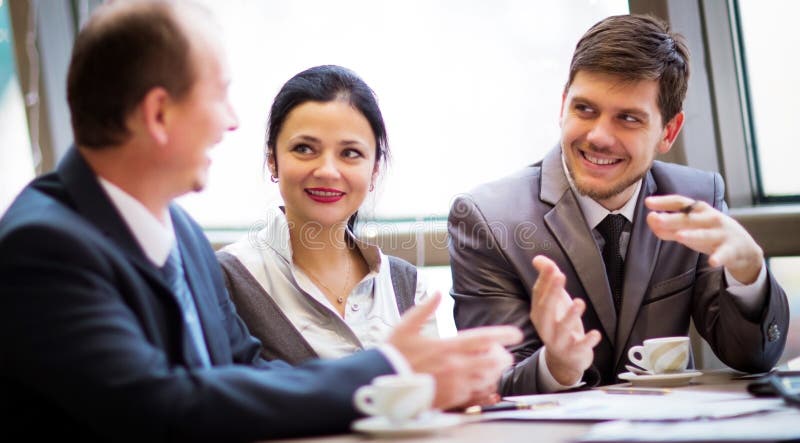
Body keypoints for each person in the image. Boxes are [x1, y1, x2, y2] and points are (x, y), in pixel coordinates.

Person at [0, 1, 521, 441]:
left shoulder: (178, 231)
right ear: (159, 115)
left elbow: (243, 369)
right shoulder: (43, 246)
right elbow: (156, 405)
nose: (231, 121)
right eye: (219, 94)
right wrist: (388, 367)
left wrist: (408, 384)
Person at [448, 14, 789, 395]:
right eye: (585, 109)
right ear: (563, 106)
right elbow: (490, 382)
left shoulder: (696, 198)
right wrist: (557, 366)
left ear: (669, 132)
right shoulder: (486, 218)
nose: (598, 137)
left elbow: (751, 357)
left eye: (627, 118)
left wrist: (749, 273)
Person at [217, 65, 438, 366]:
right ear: (273, 161)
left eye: (350, 153)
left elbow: (435, 402)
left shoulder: (407, 286)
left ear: (374, 171)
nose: (327, 171)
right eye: (305, 148)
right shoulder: (227, 279)